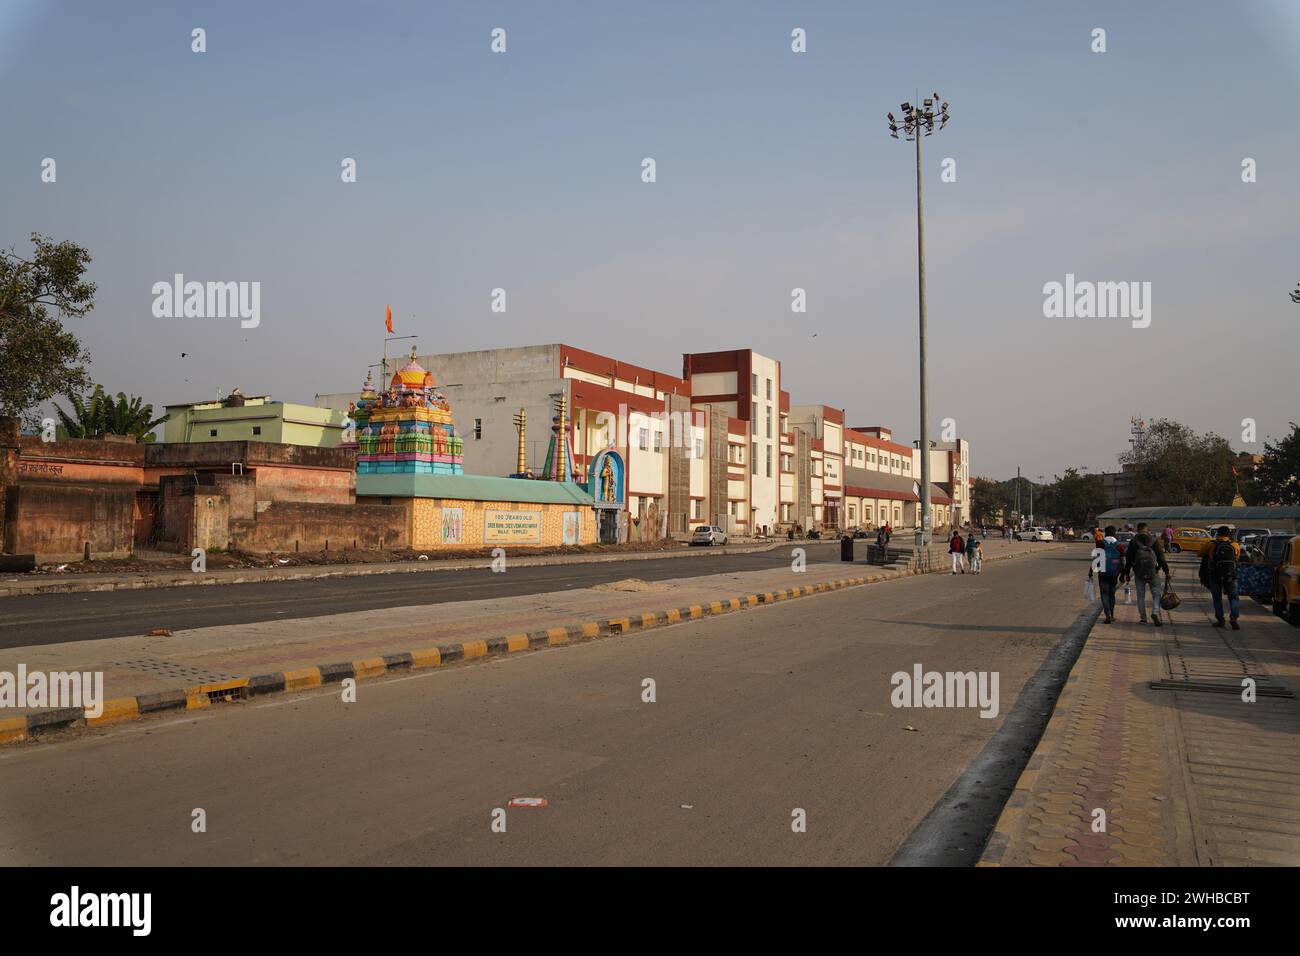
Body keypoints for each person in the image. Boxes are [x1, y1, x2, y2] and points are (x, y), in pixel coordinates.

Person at [1124, 521, 1170, 626]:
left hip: (1139, 573)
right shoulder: (1154, 540)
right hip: (1153, 572)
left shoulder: (1133, 542)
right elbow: (1161, 558)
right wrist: (1166, 571)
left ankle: (1143, 619)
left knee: (1140, 596)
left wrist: (1126, 573)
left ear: (1137, 529)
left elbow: (1129, 558)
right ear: (1147, 529)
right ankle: (1155, 612)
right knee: (1156, 594)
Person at [1200, 525, 1242, 629]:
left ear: (1218, 533)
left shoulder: (1211, 543)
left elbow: (1199, 553)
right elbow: (1237, 557)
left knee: (1217, 597)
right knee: (1234, 597)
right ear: (1229, 534)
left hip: (1215, 574)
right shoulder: (1235, 544)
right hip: (1230, 574)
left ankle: (1220, 620)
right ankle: (1233, 618)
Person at [1088, 525, 1124, 624]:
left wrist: (1091, 571)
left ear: (1106, 533)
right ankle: (1112, 614)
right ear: (1115, 533)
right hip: (1114, 573)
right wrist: (1123, 573)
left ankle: (1107, 615)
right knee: (1112, 594)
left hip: (1102, 571)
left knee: (1104, 594)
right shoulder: (1119, 545)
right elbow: (1122, 561)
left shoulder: (1100, 543)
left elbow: (1095, 558)